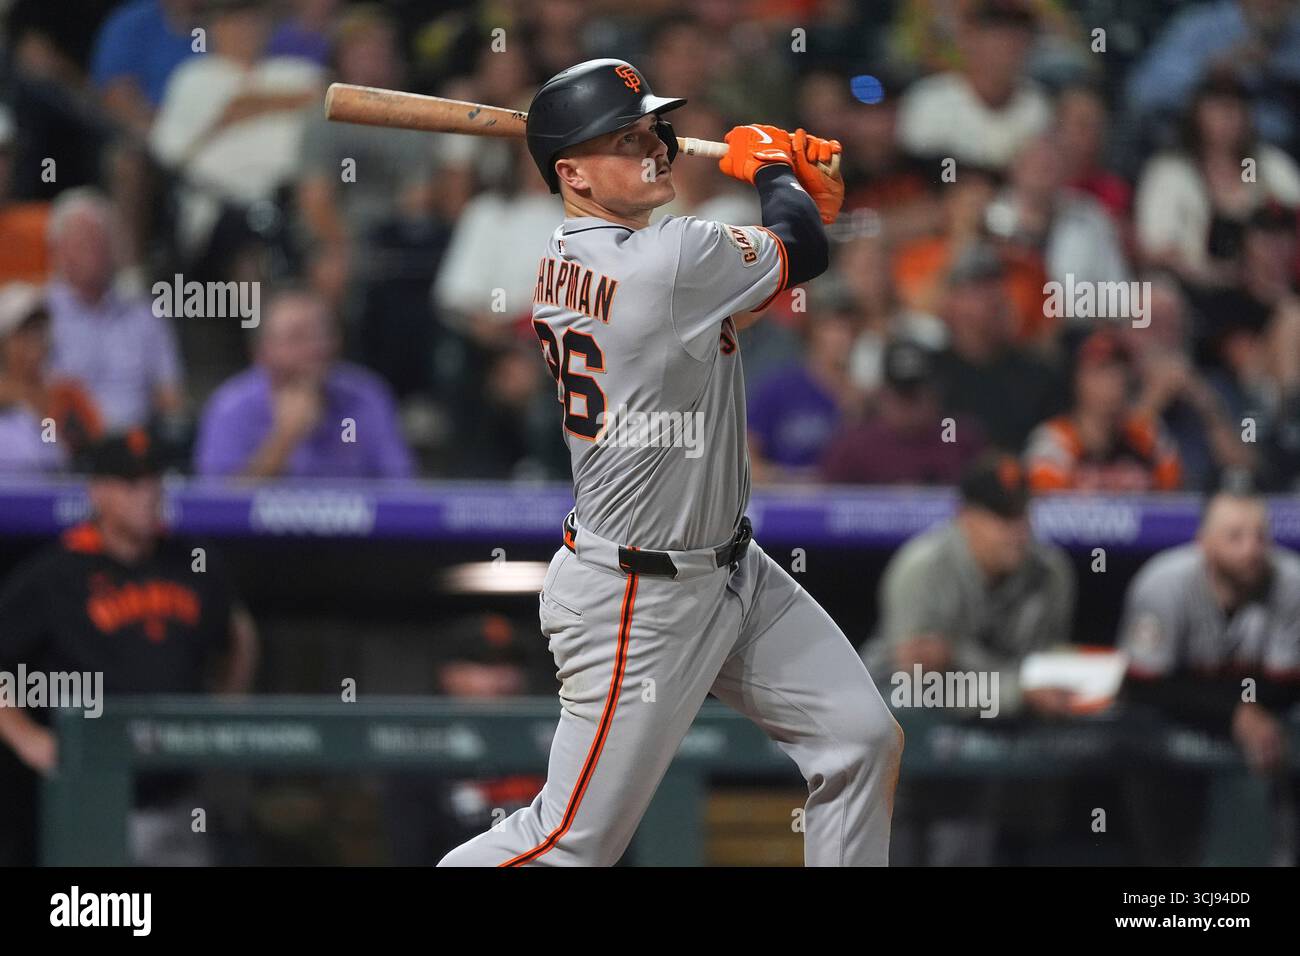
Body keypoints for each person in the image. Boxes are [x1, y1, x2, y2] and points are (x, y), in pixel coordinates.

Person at [439, 59, 903, 867]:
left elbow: (728, 308)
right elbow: (798, 251)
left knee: (860, 739)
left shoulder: (582, 258)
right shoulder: (665, 258)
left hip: (730, 569)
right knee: (567, 844)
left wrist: (800, 210)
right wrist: (769, 171)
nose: (655, 147)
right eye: (625, 139)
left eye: (652, 128)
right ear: (572, 172)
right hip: (637, 600)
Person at [0, 431, 258, 866]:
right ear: (98, 491)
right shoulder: (56, 574)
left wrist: (225, 710)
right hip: (92, 795)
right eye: (131, 483)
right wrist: (28, 739)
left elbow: (237, 632)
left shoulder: (191, 560)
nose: (148, 495)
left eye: (154, 481)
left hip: (179, 797)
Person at [861, 454, 1076, 865]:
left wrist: (957, 655)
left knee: (964, 849)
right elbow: (922, 683)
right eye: (1002, 517)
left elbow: (1045, 670)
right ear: (966, 518)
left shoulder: (1050, 573)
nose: (1017, 532)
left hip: (980, 740)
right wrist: (1017, 688)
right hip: (898, 741)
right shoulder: (922, 567)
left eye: (1022, 516)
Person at [1119, 490, 1300, 864]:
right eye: (1235, 537)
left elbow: (1286, 683)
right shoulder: (1163, 582)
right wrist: (1236, 714)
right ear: (1204, 543)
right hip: (1166, 735)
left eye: (1260, 537)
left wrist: (1239, 712)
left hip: (1269, 728)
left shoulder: (1290, 582)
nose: (1252, 550)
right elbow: (1144, 685)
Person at [194, 287, 414, 479]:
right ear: (261, 351)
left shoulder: (366, 397)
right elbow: (215, 505)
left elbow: (401, 489)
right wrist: (284, 439)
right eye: (298, 337)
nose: (317, 348)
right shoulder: (231, 407)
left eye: (324, 334)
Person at [44, 189, 186, 431]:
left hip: (136, 451)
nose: (94, 250)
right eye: (83, 240)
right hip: (61, 451)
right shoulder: (36, 316)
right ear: (57, 249)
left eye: (100, 240)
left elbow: (170, 395)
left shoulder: (146, 315)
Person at [896, 0, 1052, 171]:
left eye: (1016, 36)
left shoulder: (1038, 103)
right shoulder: (929, 100)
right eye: (996, 36)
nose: (1008, 46)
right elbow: (920, 177)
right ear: (968, 41)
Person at [1024, 330, 1183, 492]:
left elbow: (1175, 503)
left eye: (1118, 372)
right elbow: (1047, 510)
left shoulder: (1148, 434)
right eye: (1100, 372)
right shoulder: (1054, 440)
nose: (1112, 382)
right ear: (1077, 380)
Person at [822, 338, 985, 485]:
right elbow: (825, 503)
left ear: (933, 392)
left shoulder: (960, 440)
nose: (907, 405)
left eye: (915, 394)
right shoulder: (855, 448)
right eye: (901, 395)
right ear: (883, 394)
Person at [0, 282, 102, 473]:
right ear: (4, 341)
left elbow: (96, 448)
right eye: (23, 332)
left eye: (39, 330)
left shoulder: (68, 394)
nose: (33, 339)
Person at [747, 312, 858, 483]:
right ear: (813, 335)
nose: (840, 339)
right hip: (785, 498)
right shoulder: (779, 389)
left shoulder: (864, 396)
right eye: (831, 330)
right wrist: (788, 480)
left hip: (845, 500)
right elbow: (746, 461)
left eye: (846, 330)